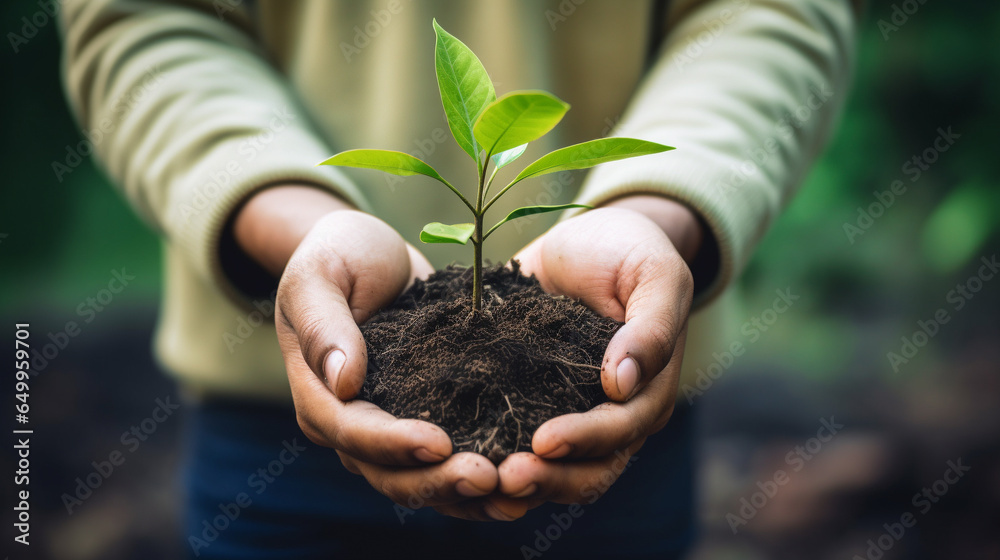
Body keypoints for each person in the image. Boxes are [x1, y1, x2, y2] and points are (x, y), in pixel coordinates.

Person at [59, 0, 859, 557]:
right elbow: (141, 21)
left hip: (619, 411)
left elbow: (772, 16)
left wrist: (656, 214)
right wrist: (295, 222)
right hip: (270, 430)